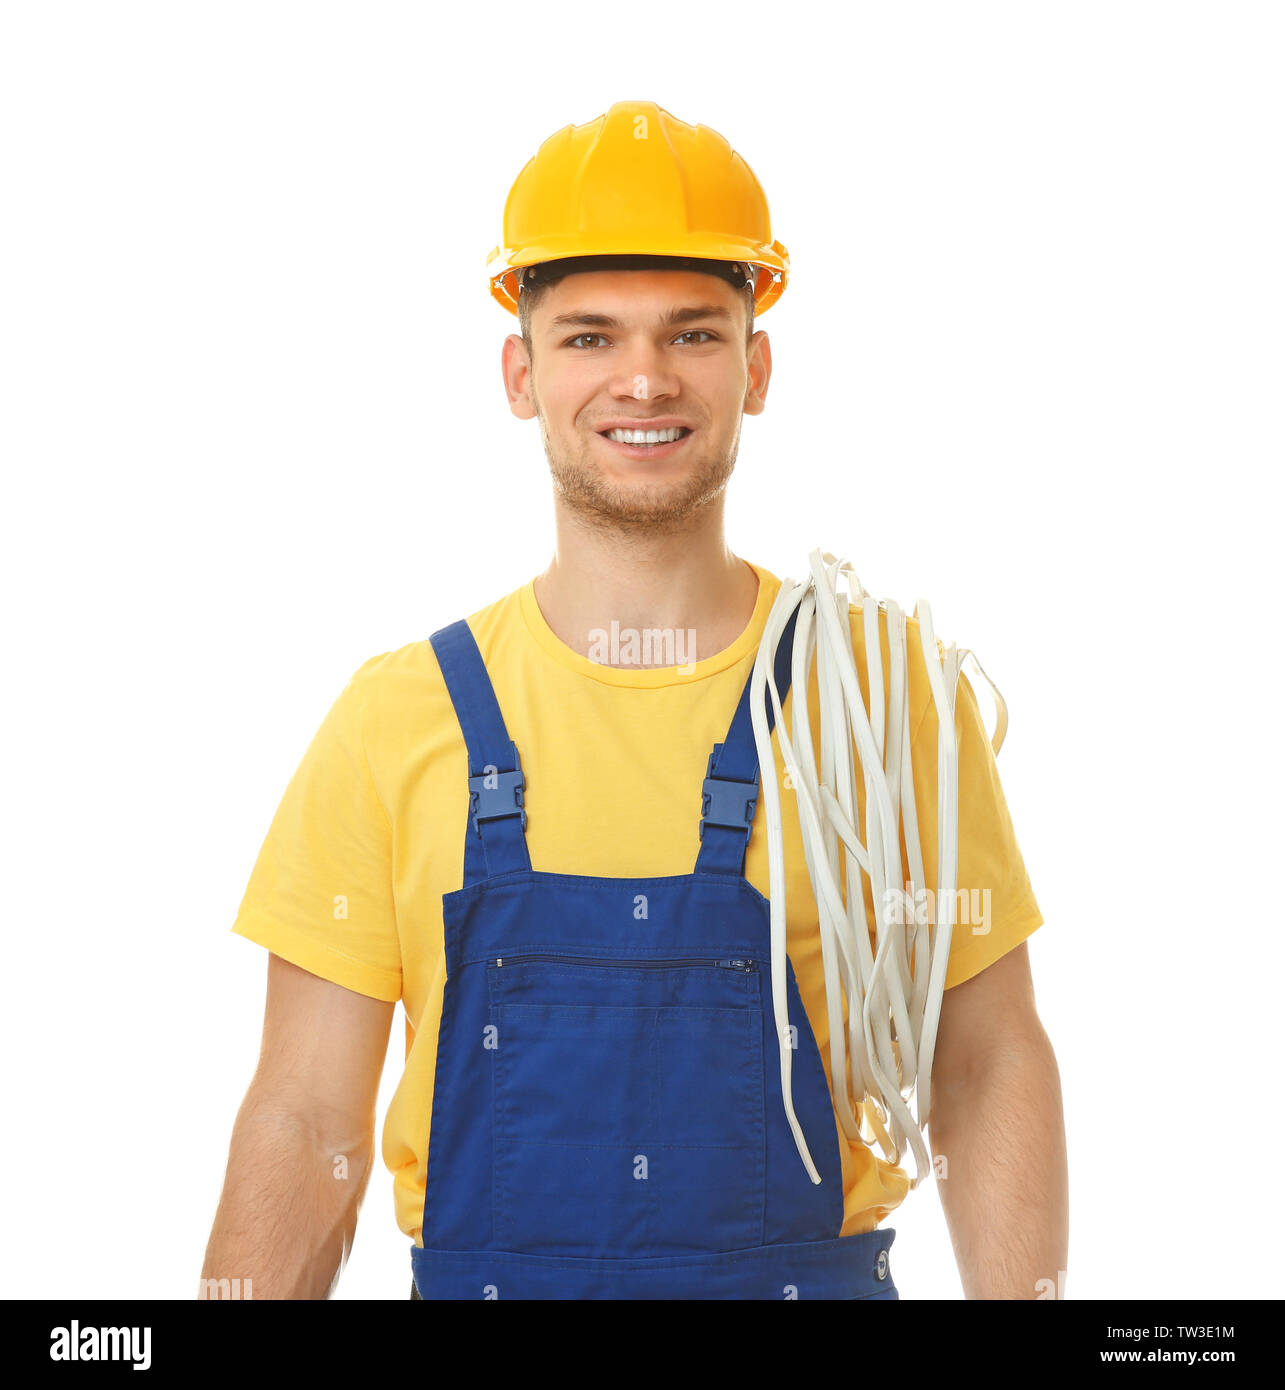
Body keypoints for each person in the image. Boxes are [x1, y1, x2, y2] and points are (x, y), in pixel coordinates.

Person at [201, 100, 1067, 1301]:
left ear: (756, 367)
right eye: (590, 336)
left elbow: (985, 1067)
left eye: (695, 334)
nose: (644, 379)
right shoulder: (400, 719)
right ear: (522, 372)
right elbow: (304, 1121)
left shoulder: (879, 706)